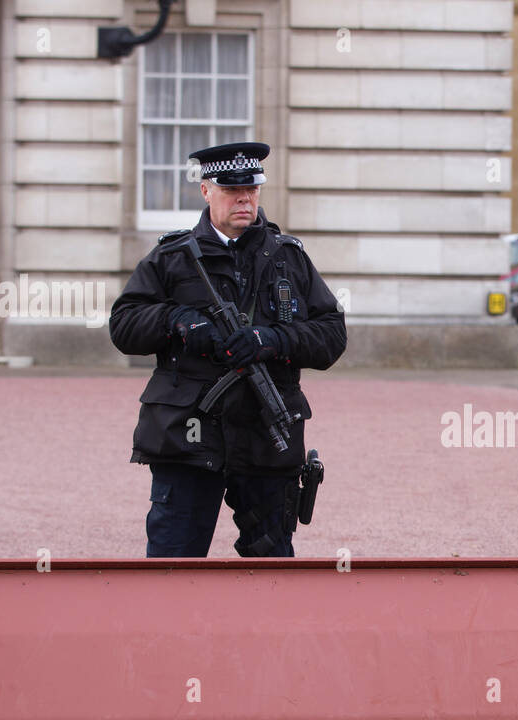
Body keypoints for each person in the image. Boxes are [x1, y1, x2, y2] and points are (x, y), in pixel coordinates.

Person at [109, 142, 346, 557]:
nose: (244, 199)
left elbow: (331, 335)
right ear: (205, 191)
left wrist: (272, 340)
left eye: (251, 190)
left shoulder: (288, 258)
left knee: (271, 567)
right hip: (189, 433)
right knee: (172, 562)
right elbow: (124, 324)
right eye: (231, 190)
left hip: (266, 433)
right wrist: (177, 321)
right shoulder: (173, 257)